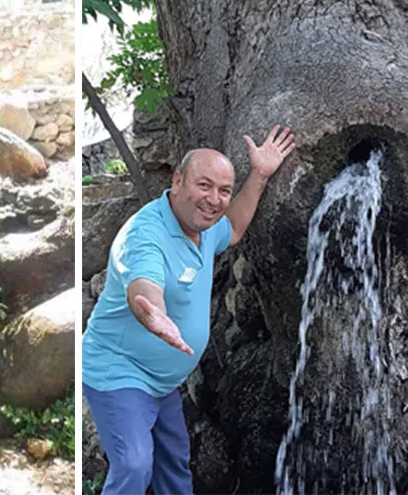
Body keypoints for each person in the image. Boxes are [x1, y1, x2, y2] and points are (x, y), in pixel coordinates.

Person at [82, 125, 298, 495]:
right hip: (121, 372)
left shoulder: (204, 225)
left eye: (224, 190)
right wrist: (154, 316)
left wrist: (260, 174)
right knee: (134, 464)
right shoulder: (147, 235)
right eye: (204, 185)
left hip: (163, 381)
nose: (214, 199)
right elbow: (144, 286)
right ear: (178, 180)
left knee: (175, 465)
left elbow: (234, 227)